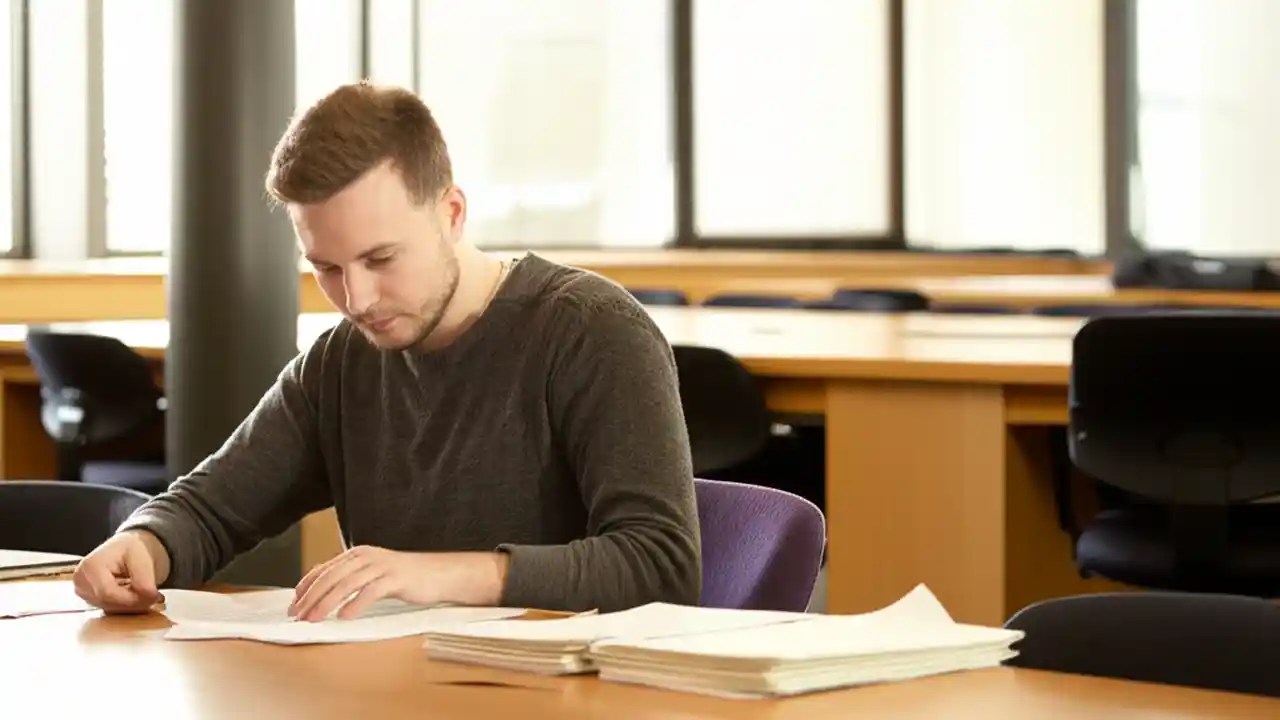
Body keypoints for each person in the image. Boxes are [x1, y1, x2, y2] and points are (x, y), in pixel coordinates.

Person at [72, 82, 701, 620]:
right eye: (326, 267)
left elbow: (661, 565)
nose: (357, 298)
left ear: (452, 213)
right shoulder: (341, 362)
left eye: (381, 258)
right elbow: (211, 508)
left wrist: (438, 576)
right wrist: (144, 544)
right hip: (398, 688)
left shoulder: (592, 330)